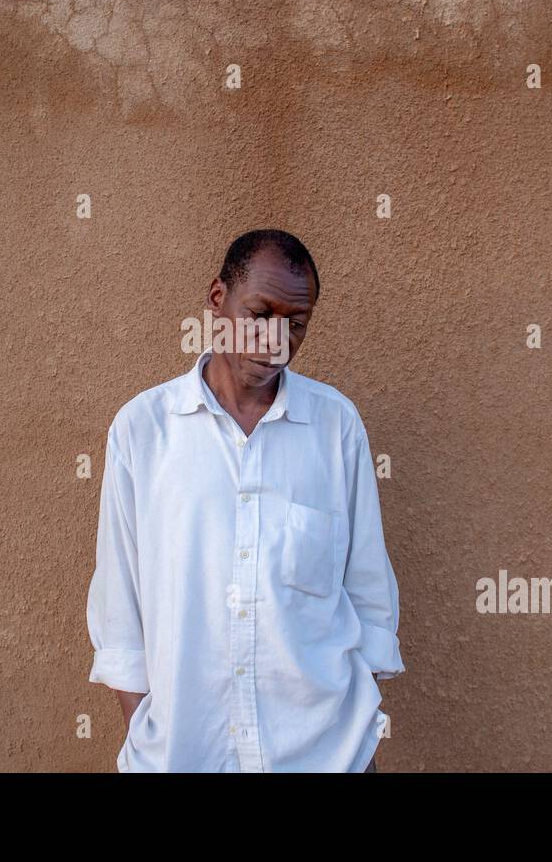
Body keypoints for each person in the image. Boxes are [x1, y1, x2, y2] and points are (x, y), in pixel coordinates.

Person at [86, 228, 404, 772]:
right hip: (186, 758)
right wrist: (154, 739)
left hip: (323, 760)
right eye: (260, 314)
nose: (275, 341)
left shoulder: (335, 428)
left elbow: (370, 599)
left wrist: (346, 742)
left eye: (296, 324)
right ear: (218, 299)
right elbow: (120, 613)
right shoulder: (143, 430)